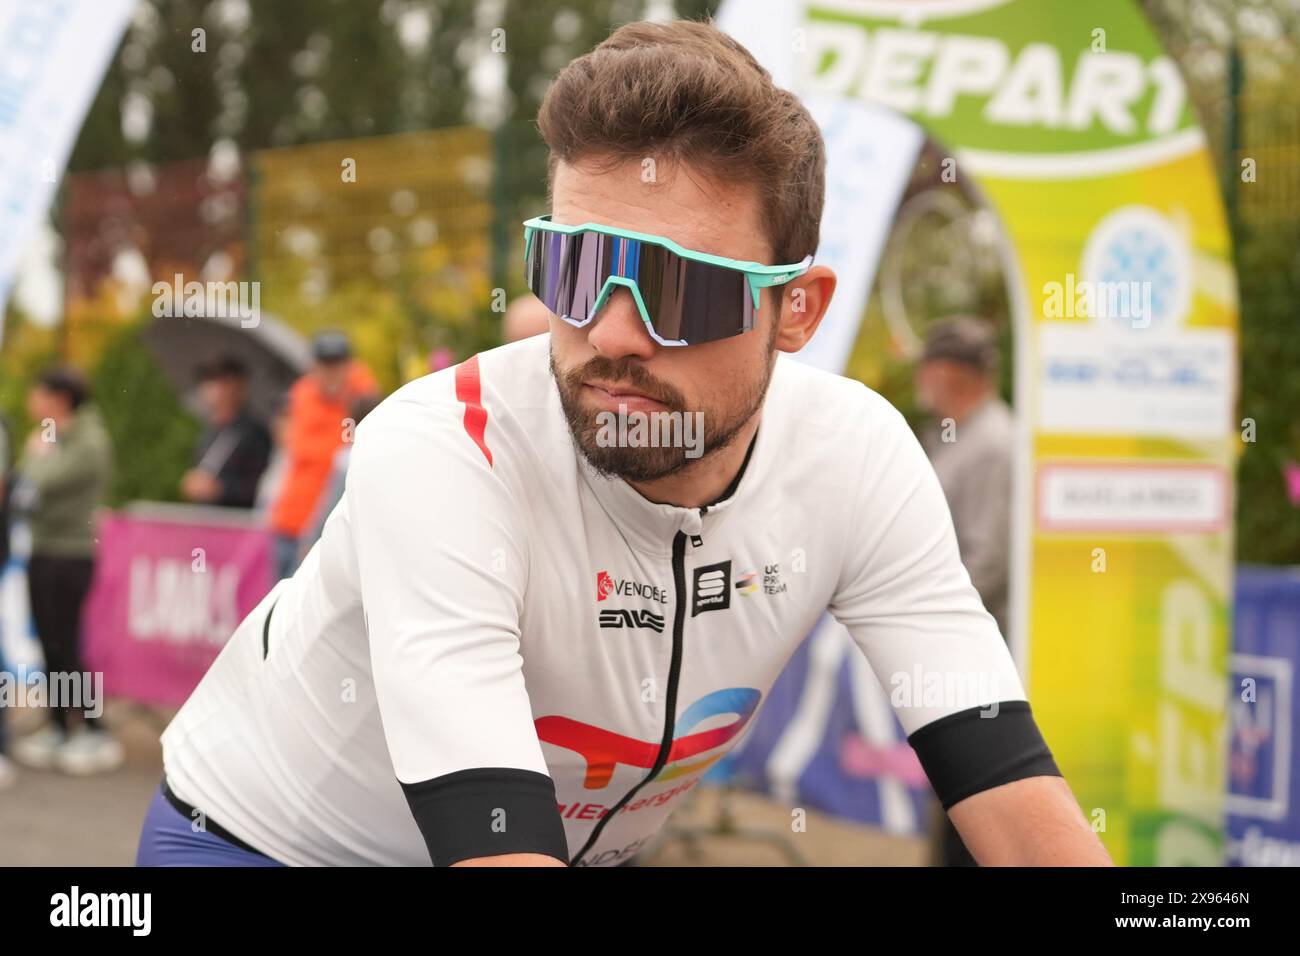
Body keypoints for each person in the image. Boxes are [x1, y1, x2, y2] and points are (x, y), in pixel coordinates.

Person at [139, 20, 1111, 867]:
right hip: (271, 844)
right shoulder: (442, 449)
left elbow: (1012, 793)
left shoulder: (855, 453)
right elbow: (493, 835)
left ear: (797, 309)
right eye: (573, 266)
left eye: (676, 287)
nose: (610, 332)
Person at [914, 317, 1017, 868]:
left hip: (981, 658)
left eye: (927, 364)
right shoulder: (959, 435)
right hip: (958, 653)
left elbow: (989, 561)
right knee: (955, 802)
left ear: (950, 372)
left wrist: (920, 622)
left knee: (975, 808)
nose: (920, 376)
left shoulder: (995, 444)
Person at [11, 367, 122, 776]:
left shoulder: (88, 440)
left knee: (66, 645)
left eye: (38, 393)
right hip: (43, 550)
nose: (32, 402)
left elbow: (38, 482)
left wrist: (39, 454)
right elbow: (22, 485)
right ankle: (60, 725)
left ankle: (95, 727)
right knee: (49, 643)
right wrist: (38, 455)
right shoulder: (52, 435)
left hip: (72, 555)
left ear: (59, 398)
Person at [266, 331, 378, 580]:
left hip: (327, 528)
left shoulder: (359, 397)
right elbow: (302, 449)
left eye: (337, 364)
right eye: (325, 364)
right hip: (291, 519)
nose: (331, 372)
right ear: (314, 366)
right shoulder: (303, 395)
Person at [180, 356, 272, 510]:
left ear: (237, 385)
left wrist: (221, 489)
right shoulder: (210, 431)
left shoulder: (253, 433)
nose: (210, 387)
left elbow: (262, 486)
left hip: (237, 523)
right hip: (208, 519)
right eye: (207, 380)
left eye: (219, 381)